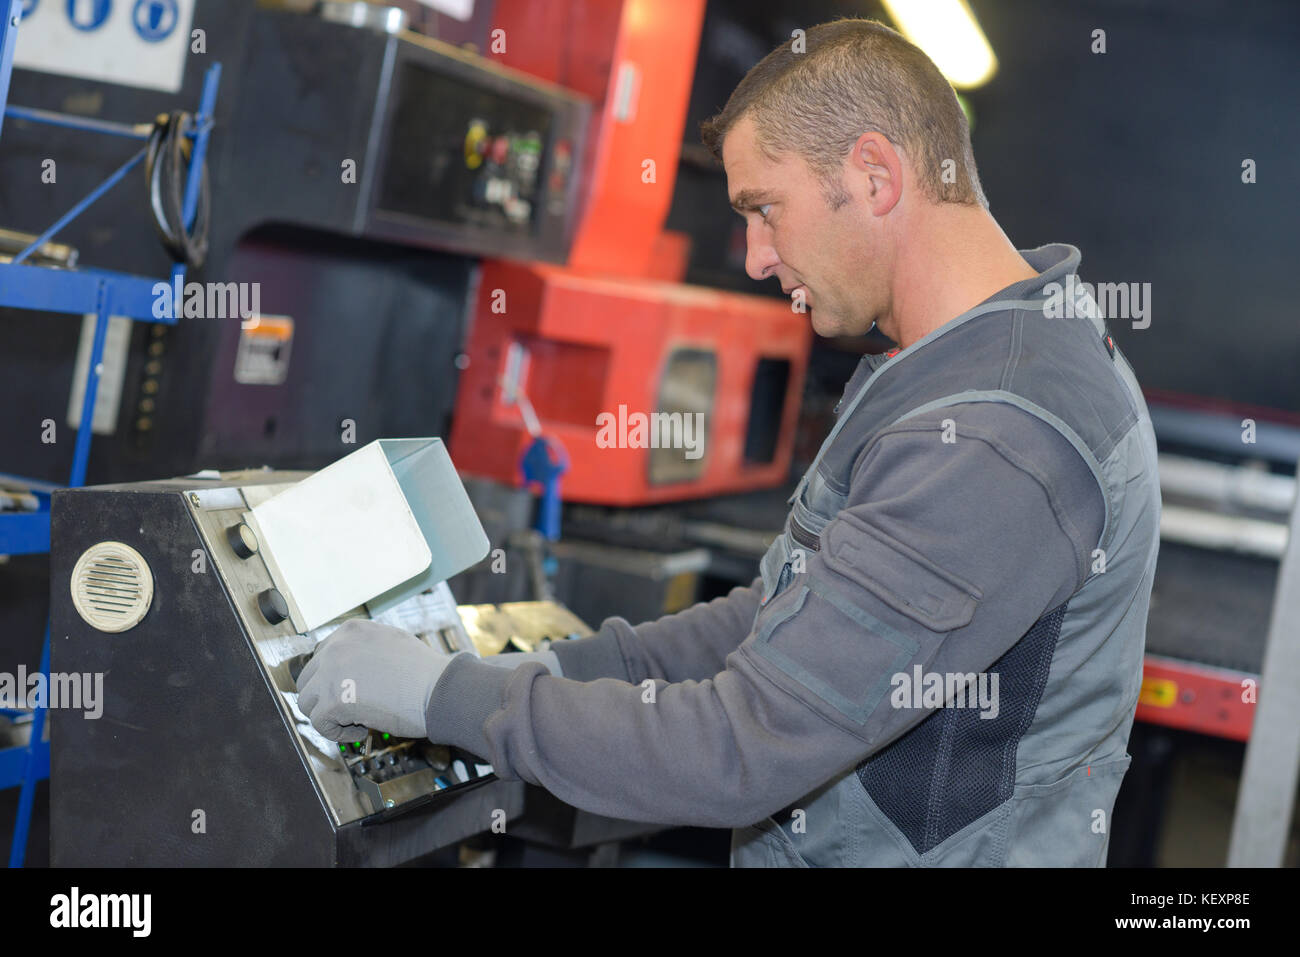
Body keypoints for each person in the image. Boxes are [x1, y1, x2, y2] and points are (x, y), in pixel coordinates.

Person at [298, 18, 1160, 867]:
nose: (753, 256)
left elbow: (739, 749)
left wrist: (443, 696)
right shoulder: (953, 361)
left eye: (765, 210)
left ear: (873, 175)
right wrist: (559, 664)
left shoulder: (994, 432)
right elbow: (784, 620)